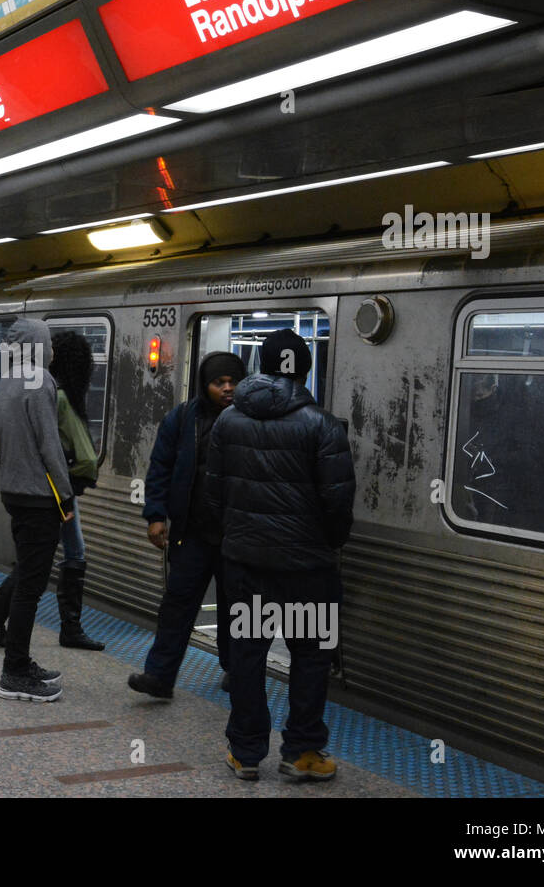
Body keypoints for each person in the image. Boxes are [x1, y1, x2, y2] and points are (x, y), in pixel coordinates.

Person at [206, 329, 355, 782]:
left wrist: (235, 540)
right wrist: (326, 544)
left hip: (248, 565)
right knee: (311, 655)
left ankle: (246, 753)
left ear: (260, 367)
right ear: (306, 368)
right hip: (308, 569)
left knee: (248, 653)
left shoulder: (227, 422)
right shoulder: (323, 425)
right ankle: (303, 752)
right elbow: (338, 503)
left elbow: (212, 496)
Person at [128, 351, 248, 700]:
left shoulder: (252, 419)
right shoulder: (182, 419)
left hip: (237, 534)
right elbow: (160, 468)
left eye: (233, 382)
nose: (227, 389)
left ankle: (235, 670)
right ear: (203, 385)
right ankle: (159, 676)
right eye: (218, 383)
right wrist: (155, 516)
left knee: (237, 608)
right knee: (177, 605)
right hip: (192, 533)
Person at [0, 331, 105, 651]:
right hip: (52, 489)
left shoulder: (22, 385)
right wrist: (65, 494)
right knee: (48, 560)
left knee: (37, 560)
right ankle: (56, 632)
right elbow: (59, 448)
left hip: (46, 487)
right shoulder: (58, 396)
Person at [0, 319, 73, 702]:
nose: (52, 347)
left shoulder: (7, 379)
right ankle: (15, 672)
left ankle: (19, 664)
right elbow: (50, 445)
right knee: (30, 588)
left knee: (27, 580)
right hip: (40, 496)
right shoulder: (41, 381)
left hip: (14, 491)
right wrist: (66, 495)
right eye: (48, 341)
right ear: (37, 347)